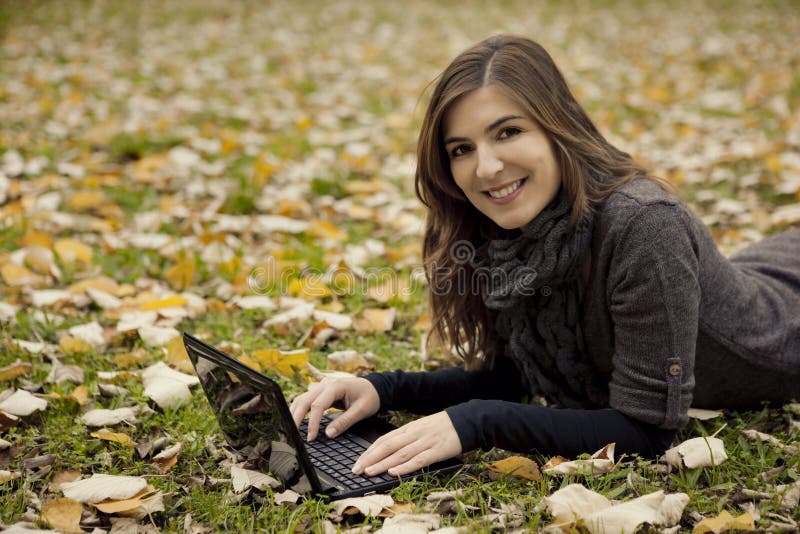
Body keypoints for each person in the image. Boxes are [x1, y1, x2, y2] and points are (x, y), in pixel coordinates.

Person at [289, 35, 800, 479]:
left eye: (508, 132)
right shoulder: (507, 229)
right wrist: (382, 389)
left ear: (558, 128)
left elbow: (647, 432)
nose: (486, 168)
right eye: (461, 149)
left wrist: (475, 422)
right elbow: (519, 375)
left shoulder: (646, 225)